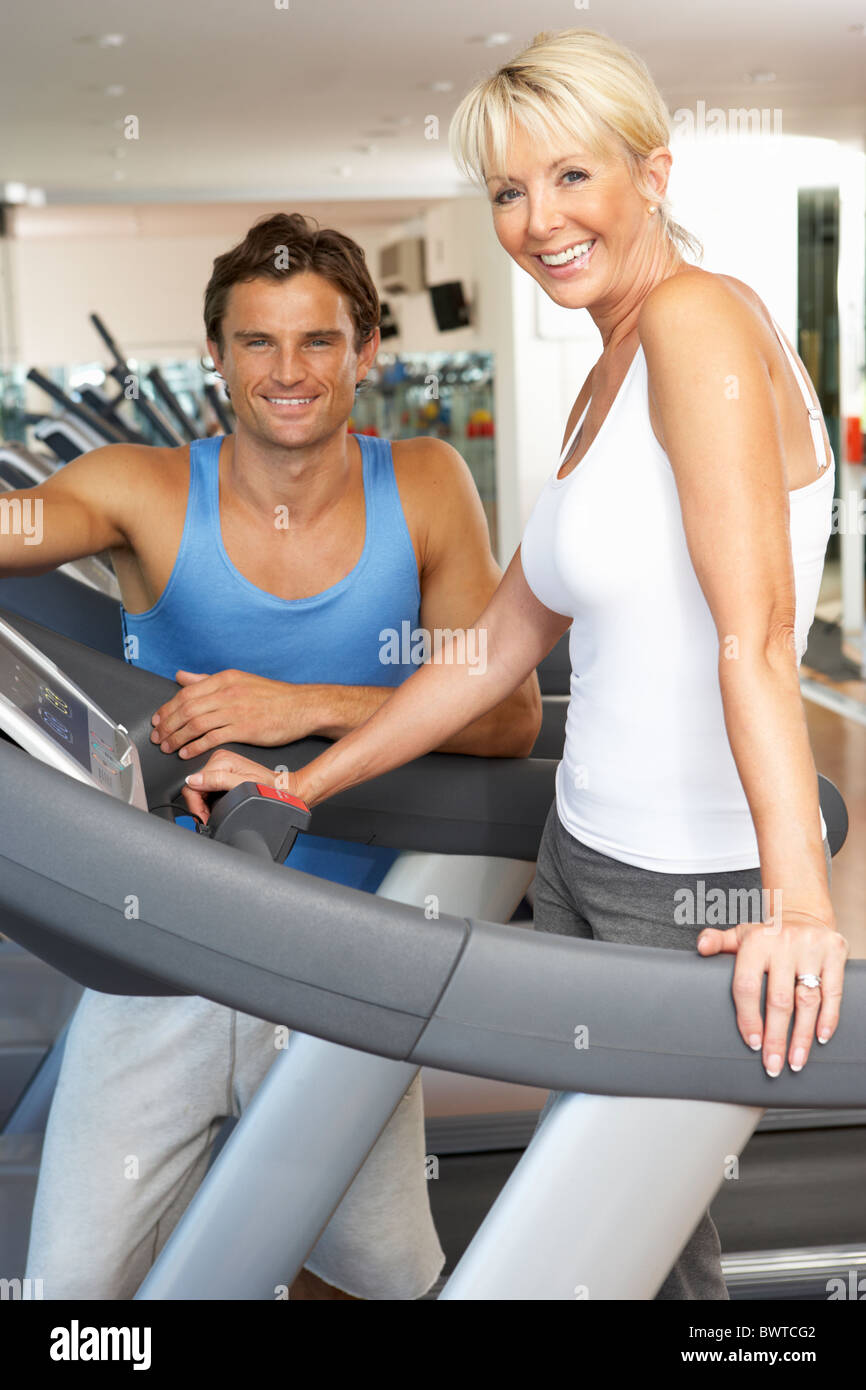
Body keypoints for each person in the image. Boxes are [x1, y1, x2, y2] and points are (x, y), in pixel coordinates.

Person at [186, 30, 850, 1301]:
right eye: (505, 190)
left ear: (651, 174)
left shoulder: (699, 319)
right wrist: (300, 786)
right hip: (583, 863)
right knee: (637, 1251)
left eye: (570, 179)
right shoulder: (607, 364)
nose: (535, 221)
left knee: (616, 1239)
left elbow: (753, 633)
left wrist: (799, 903)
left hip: (685, 901)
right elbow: (492, 646)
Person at [3, 210, 541, 1299]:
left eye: (317, 341)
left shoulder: (426, 482)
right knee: (73, 1291)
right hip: (165, 954)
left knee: (379, 1277)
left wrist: (292, 704)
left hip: (342, 961)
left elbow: (504, 715)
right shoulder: (137, 488)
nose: (287, 371)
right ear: (215, 355)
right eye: (257, 341)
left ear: (365, 352)